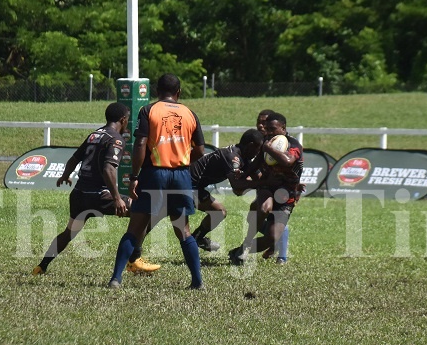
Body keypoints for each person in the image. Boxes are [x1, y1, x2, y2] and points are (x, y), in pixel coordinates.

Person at [32, 102, 160, 276]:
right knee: (145, 212)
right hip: (100, 195)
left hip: (79, 195)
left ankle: (41, 266)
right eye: (127, 120)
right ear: (123, 120)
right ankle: (134, 260)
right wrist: (117, 198)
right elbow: (109, 169)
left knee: (69, 233)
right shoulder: (116, 139)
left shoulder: (94, 135)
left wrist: (65, 175)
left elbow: (74, 158)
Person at [108, 74, 206, 289]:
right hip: (181, 175)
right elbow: (200, 150)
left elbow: (141, 143)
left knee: (135, 228)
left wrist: (134, 176)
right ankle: (197, 282)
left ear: (156, 91)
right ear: (178, 92)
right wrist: (182, 159)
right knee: (184, 230)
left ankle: (116, 279)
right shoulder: (190, 113)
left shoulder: (149, 110)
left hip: (154, 174)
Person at [229, 111, 303, 265]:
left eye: (272, 129)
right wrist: (242, 178)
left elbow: (288, 161)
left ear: (283, 128)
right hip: (268, 187)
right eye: (267, 129)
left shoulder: (293, 145)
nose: (268, 132)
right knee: (263, 208)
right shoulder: (266, 142)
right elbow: (256, 164)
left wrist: (268, 149)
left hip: (286, 195)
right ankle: (247, 243)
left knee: (272, 238)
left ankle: (239, 250)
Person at [190, 128, 265, 252]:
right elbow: (237, 186)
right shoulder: (232, 156)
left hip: (195, 187)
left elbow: (258, 179)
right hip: (185, 185)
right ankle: (195, 238)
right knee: (218, 212)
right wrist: (260, 183)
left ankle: (196, 238)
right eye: (258, 149)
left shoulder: (244, 159)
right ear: (251, 146)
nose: (258, 153)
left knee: (218, 212)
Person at [255, 109, 291, 265]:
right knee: (257, 215)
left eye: (265, 123)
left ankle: (282, 255)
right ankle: (273, 242)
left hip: (282, 188)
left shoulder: (282, 142)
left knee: (277, 218)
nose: (262, 126)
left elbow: (291, 163)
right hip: (265, 185)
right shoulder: (260, 141)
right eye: (259, 122)